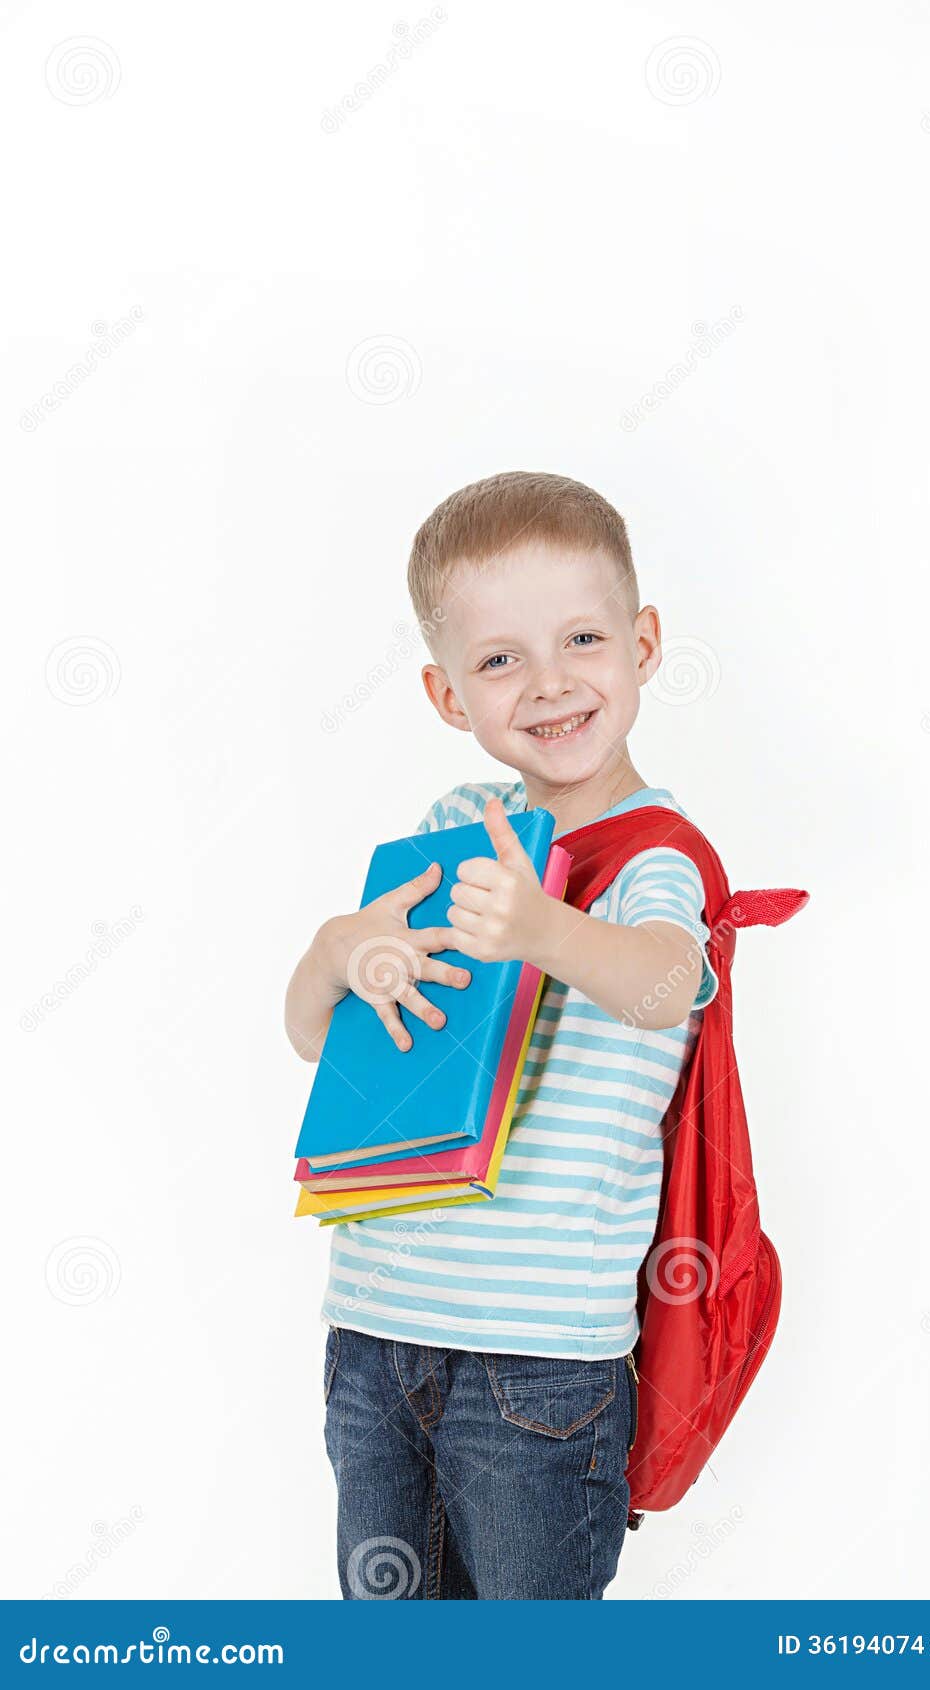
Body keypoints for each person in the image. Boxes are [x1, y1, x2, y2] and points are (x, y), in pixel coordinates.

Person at [285, 470, 720, 1599]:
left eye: (581, 636)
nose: (547, 682)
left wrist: (541, 926)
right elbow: (311, 1038)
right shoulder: (441, 834)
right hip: (376, 1328)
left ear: (644, 642)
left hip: (538, 1355)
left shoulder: (653, 858)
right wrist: (338, 952)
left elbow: (666, 982)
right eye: (497, 659)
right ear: (444, 695)